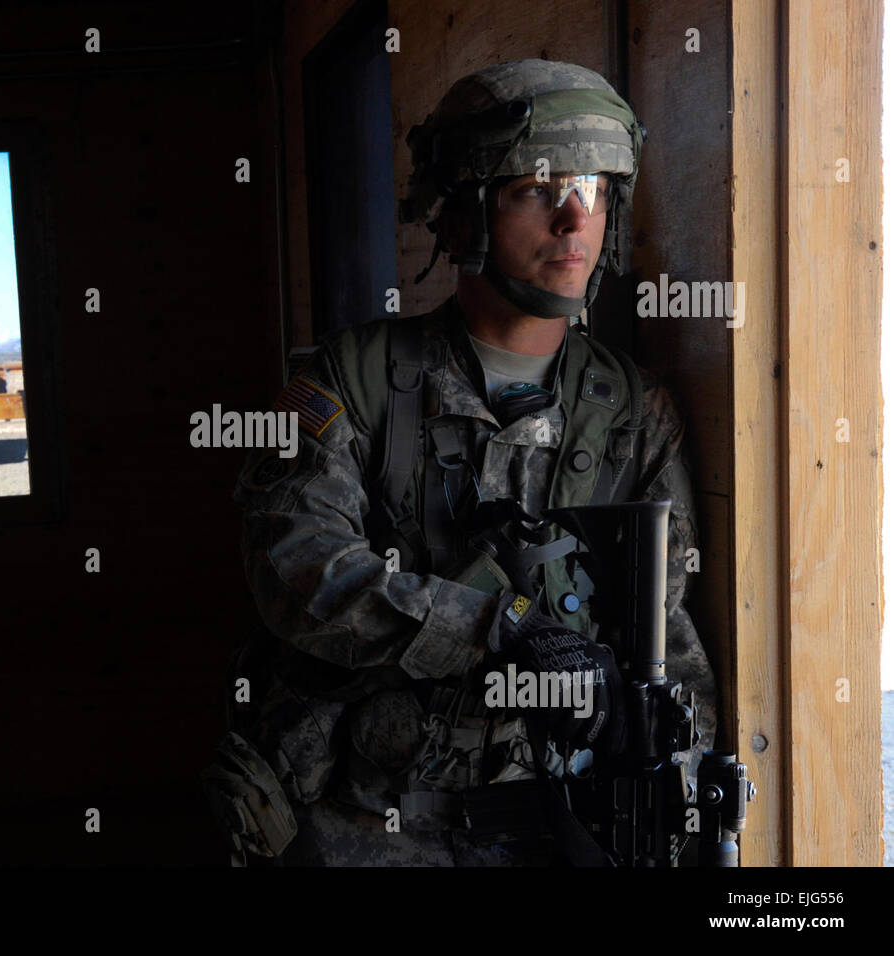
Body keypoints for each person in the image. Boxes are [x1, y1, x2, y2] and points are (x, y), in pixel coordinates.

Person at [216, 58, 717, 867]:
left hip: (556, 817)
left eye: (592, 185)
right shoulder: (351, 380)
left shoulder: (630, 410)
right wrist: (500, 629)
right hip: (366, 819)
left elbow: (669, 642)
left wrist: (678, 797)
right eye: (534, 187)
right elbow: (299, 572)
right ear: (462, 213)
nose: (572, 217)